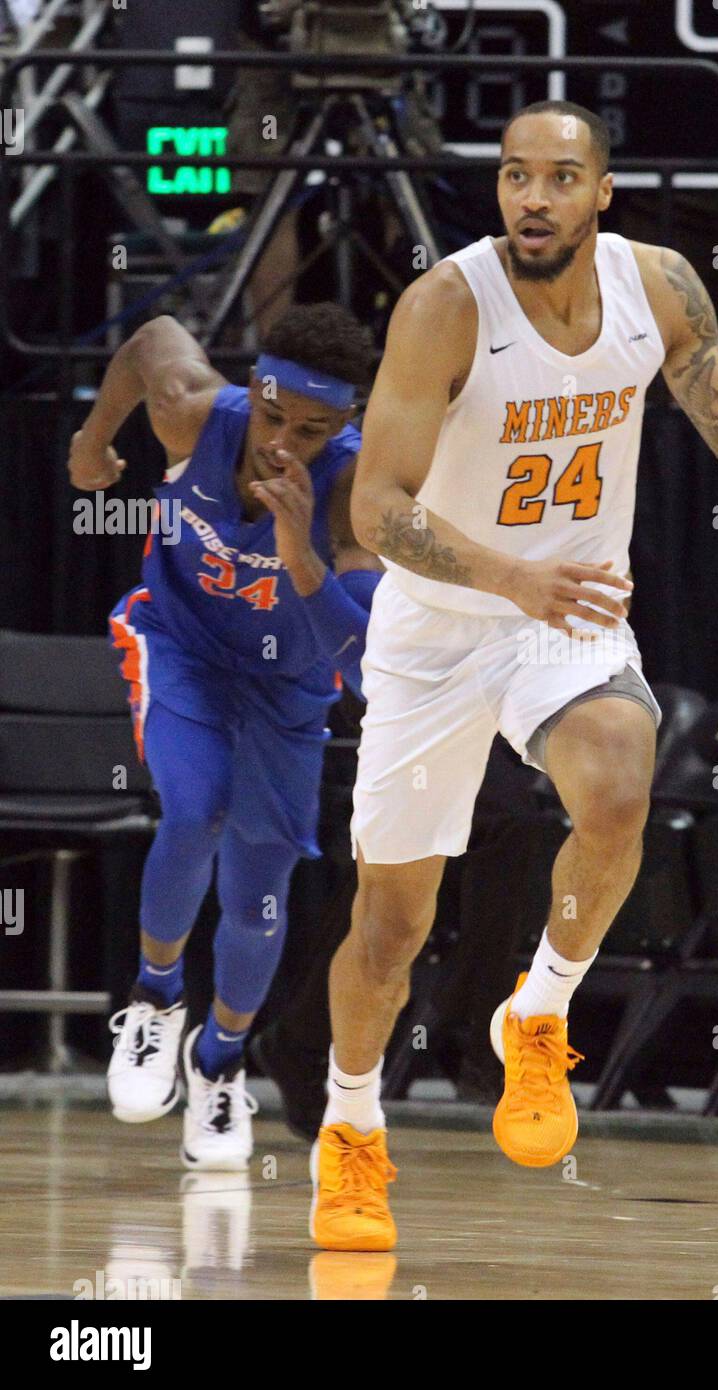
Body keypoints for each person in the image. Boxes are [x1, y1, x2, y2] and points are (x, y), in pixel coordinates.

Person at [309, 100, 718, 1252]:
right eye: (514, 176)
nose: (533, 198)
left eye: (560, 177)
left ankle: (538, 1013)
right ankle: (350, 1131)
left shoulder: (655, 289)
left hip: (571, 612)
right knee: (390, 929)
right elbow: (375, 512)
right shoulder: (445, 306)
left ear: (602, 191)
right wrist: (512, 579)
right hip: (440, 625)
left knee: (615, 784)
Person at [67, 302, 384, 1170]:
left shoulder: (359, 491)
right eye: (274, 414)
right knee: (194, 809)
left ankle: (219, 1062)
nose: (284, 441)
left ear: (346, 425)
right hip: (181, 646)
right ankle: (155, 1000)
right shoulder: (193, 411)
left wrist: (299, 548)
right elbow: (150, 336)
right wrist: (94, 440)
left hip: (286, 687)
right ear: (256, 388)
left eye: (313, 430)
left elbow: (360, 669)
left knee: (257, 892)